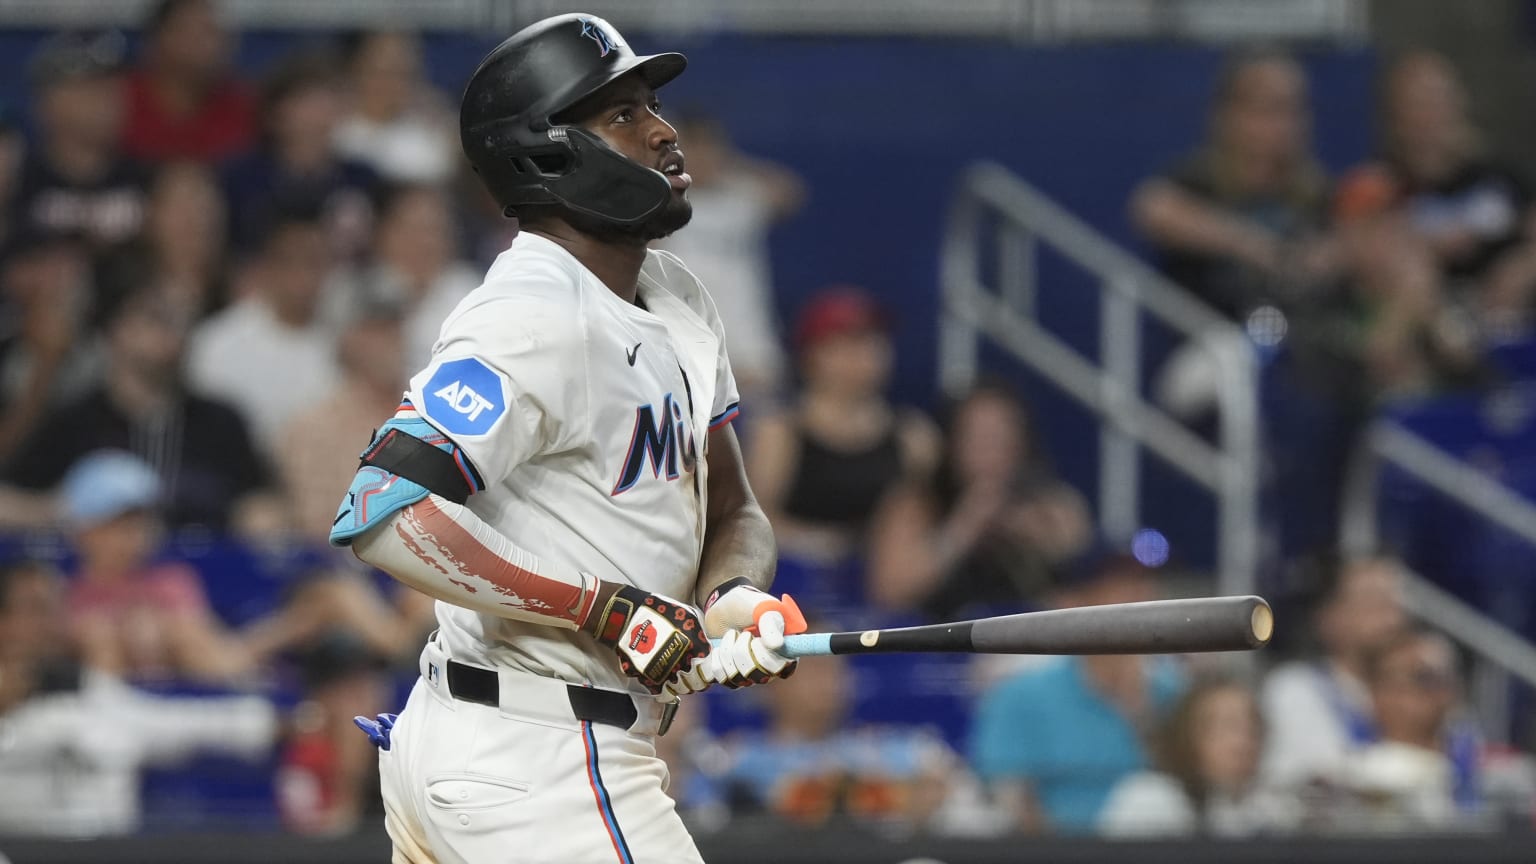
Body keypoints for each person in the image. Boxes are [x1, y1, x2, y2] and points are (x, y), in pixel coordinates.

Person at [332, 16, 800, 863]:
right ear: (544, 152)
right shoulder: (529, 313)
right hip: (536, 760)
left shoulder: (678, 295)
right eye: (621, 114)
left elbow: (734, 505)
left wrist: (731, 598)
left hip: (534, 747)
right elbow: (381, 510)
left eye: (653, 105)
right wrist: (602, 608)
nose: (663, 129)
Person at [0, 561, 279, 837]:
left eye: (56, 610)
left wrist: (287, 722)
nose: (52, 624)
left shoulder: (90, 692)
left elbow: (183, 723)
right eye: (36, 609)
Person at [2, 286, 269, 532]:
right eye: (156, 318)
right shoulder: (75, 421)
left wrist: (260, 516)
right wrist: (59, 509)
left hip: (205, 573)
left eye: (183, 321)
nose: (174, 333)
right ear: (114, 330)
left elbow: (260, 503)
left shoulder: (221, 422)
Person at [748, 286, 941, 617]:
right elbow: (752, 522)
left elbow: (928, 521)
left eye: (872, 341)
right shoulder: (780, 432)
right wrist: (823, 544)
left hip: (884, 593)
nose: (864, 355)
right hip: (793, 592)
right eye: (848, 344)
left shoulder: (915, 436)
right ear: (813, 355)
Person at [969, 546, 1185, 833]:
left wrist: (1136, 704)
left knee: (1150, 799)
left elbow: (1195, 787)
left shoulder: (1176, 691)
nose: (1141, 598)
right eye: (1122, 588)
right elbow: (1010, 798)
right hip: (1054, 855)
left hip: (1157, 852)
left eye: (1144, 585)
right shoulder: (1022, 694)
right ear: (1079, 602)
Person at [1336, 52, 1536, 333]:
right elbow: (1352, 252)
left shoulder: (1501, 180)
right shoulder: (1374, 187)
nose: (1431, 116)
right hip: (1420, 330)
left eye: (1439, 100)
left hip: (1505, 322)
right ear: (1394, 117)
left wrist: (1524, 267)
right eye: (1417, 105)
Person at [869, 380, 1091, 618]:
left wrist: (1025, 528)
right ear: (951, 441)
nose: (990, 448)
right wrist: (963, 527)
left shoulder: (1047, 500)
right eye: (977, 435)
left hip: (1029, 639)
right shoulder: (915, 502)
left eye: (1001, 435)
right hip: (943, 638)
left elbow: (1075, 550)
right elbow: (889, 592)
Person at [720, 645, 970, 834]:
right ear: (771, 681)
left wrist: (926, 797)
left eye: (836, 670)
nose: (828, 682)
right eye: (814, 670)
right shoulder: (734, 761)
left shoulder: (902, 750)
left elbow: (958, 792)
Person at [655, 115, 804, 401]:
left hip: (751, 352)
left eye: (708, 147)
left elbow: (791, 192)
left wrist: (727, 162)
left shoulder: (742, 196)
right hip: (687, 350)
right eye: (691, 148)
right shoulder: (662, 202)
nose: (700, 157)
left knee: (759, 437)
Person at [185, 205, 342, 457]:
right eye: (289, 261)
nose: (301, 276)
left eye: (313, 262)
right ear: (267, 266)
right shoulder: (218, 341)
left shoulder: (345, 342)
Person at [1260, 554, 1408, 787]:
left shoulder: (1423, 688)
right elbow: (1319, 777)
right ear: (1329, 618)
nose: (1391, 621)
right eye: (1374, 604)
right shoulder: (1295, 689)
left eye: (1395, 605)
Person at [222, 49, 379, 257]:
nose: (318, 113)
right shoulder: (240, 180)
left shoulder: (362, 179)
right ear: (275, 113)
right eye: (305, 101)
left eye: (327, 100)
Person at [1099, 678, 1300, 837]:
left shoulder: (1269, 811)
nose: (1243, 742)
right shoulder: (1149, 798)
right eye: (1228, 726)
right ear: (1188, 734)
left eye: (1251, 728)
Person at [12, 31, 146, 253]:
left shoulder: (150, 181)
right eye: (90, 87)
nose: (109, 99)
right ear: (47, 101)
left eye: (114, 87)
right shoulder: (17, 184)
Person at [1341, 628, 1483, 832]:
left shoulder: (1481, 763)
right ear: (1378, 693)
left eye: (1445, 676)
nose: (1441, 689)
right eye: (1423, 678)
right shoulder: (1357, 775)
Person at [328, 183, 478, 372]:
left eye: (434, 230)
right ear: (382, 233)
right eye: (412, 228)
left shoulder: (470, 292)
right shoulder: (350, 289)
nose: (424, 241)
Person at [121, 0, 256, 164]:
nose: (209, 46)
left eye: (214, 33)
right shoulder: (121, 103)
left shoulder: (246, 107)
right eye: (194, 33)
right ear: (156, 41)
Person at [97, 160, 230, 321]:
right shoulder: (117, 293)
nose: (196, 220)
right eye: (181, 206)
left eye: (205, 206)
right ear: (151, 216)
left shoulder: (239, 296)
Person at [333, 30, 457, 185]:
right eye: (383, 71)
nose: (392, 83)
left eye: (403, 73)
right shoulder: (334, 132)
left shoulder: (430, 139)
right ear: (357, 70)